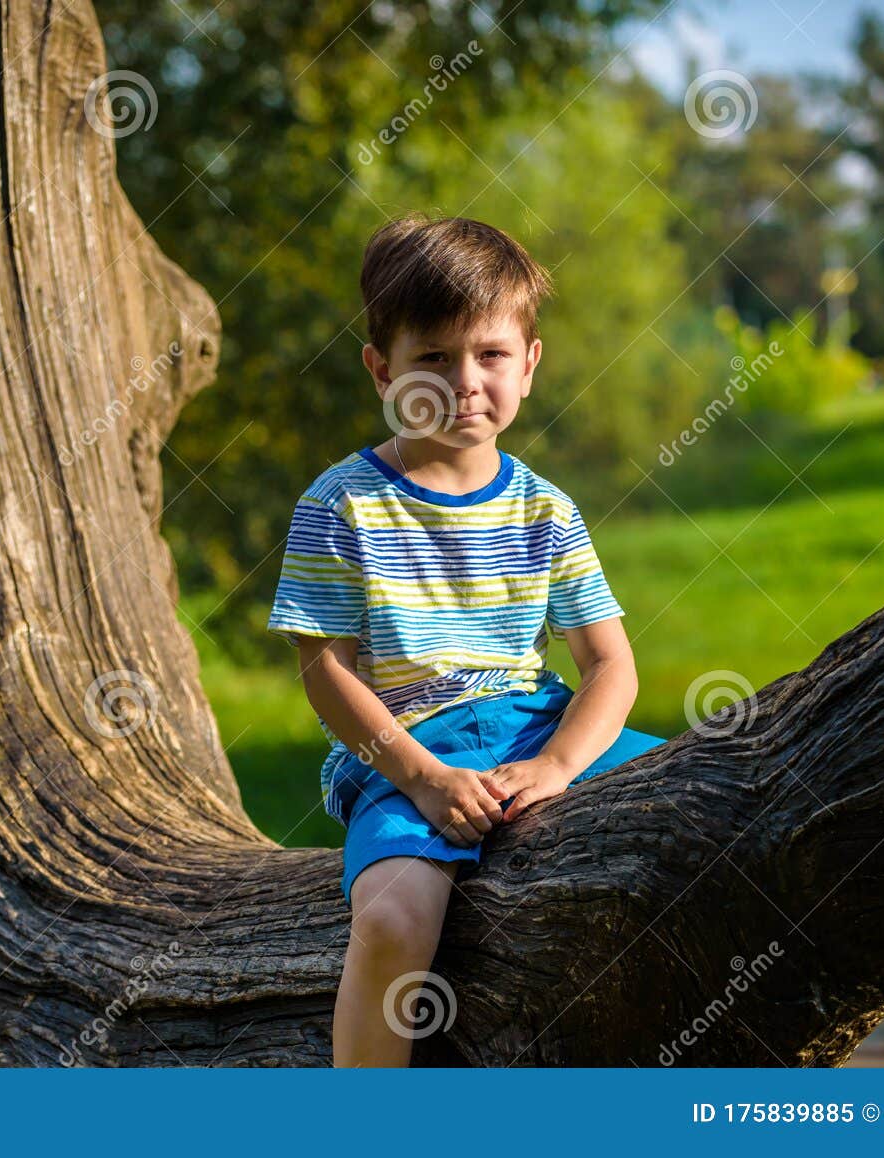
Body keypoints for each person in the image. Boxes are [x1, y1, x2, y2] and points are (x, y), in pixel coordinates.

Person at [265, 213, 666, 1066]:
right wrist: (424, 778)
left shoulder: (546, 509)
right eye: (434, 358)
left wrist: (558, 765)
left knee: (705, 808)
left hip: (534, 730)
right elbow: (325, 672)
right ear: (383, 370)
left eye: (490, 354)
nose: (465, 382)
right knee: (392, 920)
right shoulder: (341, 506)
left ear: (530, 363)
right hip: (404, 754)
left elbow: (609, 664)